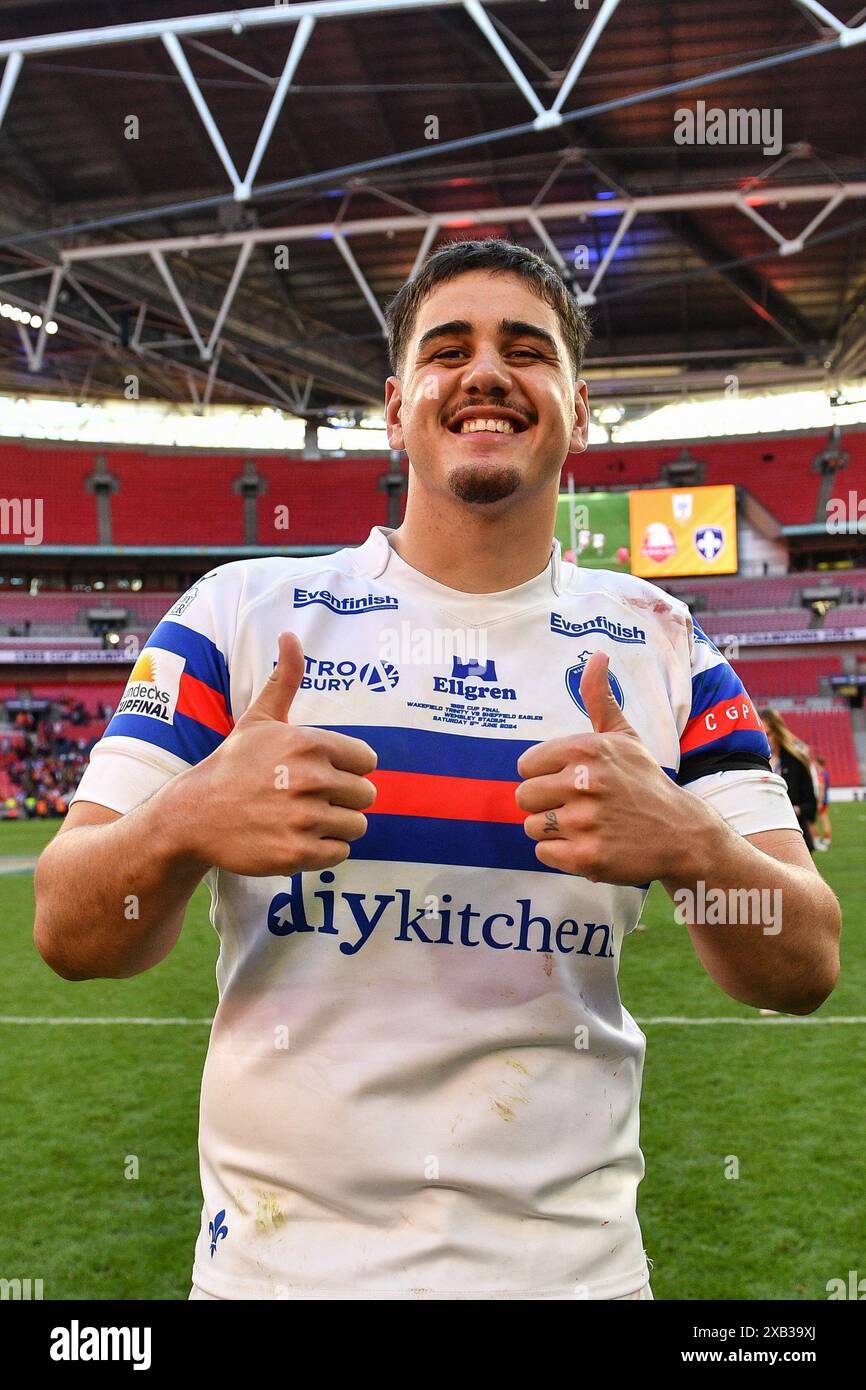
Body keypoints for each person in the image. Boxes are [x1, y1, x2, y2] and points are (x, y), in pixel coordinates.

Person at [33, 239, 841, 1303]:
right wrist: (184, 819)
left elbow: (803, 963)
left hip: (574, 1280)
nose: (485, 372)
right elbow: (69, 929)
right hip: (277, 1280)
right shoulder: (236, 616)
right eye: (446, 348)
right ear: (394, 403)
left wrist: (691, 846)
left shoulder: (663, 637)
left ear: (579, 406)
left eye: (526, 348)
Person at [760, 709, 819, 854]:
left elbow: (810, 803)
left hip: (794, 838)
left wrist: (795, 810)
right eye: (760, 735)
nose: (764, 739)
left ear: (778, 732)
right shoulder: (753, 764)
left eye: (768, 734)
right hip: (762, 841)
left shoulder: (795, 762)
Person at [813, 755, 832, 851]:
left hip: (822, 800)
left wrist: (819, 802)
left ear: (818, 763)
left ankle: (823, 838)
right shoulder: (825, 773)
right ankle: (827, 838)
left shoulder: (821, 775)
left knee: (817, 820)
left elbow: (821, 788)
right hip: (825, 800)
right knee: (824, 819)